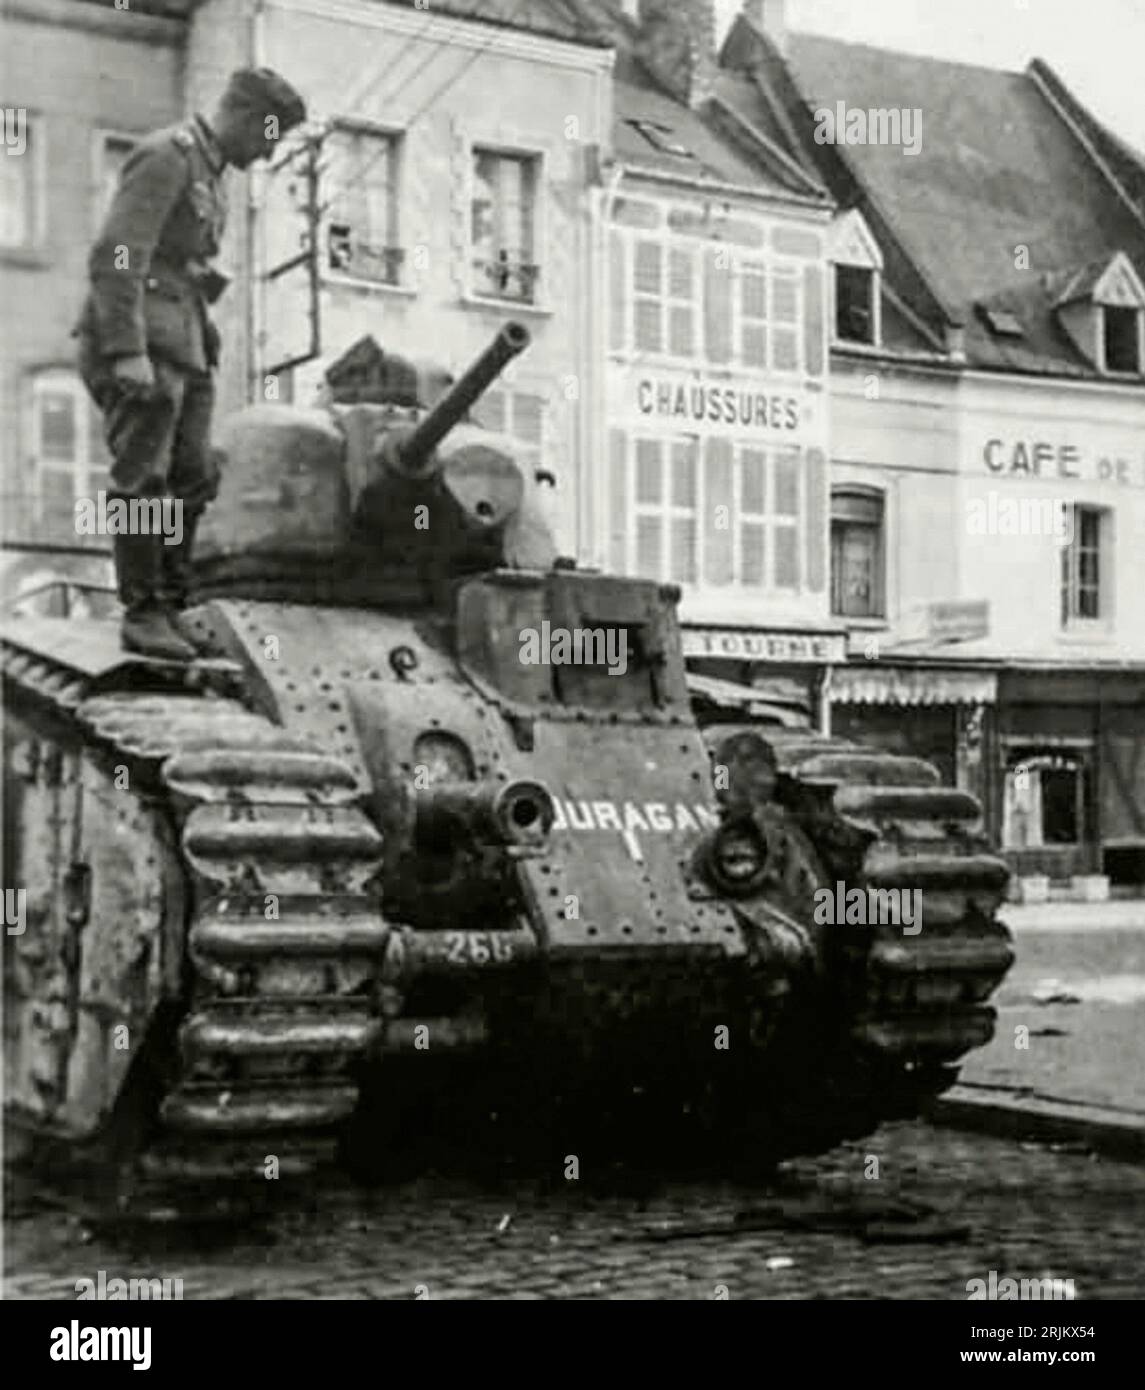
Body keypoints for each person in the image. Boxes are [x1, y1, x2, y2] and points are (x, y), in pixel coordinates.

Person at [76, 68, 307, 660]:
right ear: (248, 116)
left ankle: (174, 603)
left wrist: (202, 279)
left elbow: (172, 255)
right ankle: (142, 610)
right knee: (144, 477)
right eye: (271, 135)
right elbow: (117, 253)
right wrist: (125, 349)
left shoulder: (210, 171)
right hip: (145, 346)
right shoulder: (168, 156)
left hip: (185, 344)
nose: (268, 152)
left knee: (194, 477)